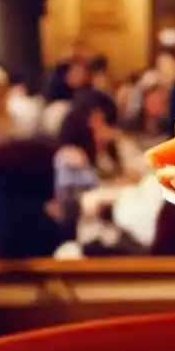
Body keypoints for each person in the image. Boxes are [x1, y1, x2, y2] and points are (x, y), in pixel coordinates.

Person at [51, 91, 122, 241]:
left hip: (109, 221)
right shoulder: (69, 156)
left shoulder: (104, 154)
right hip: (81, 228)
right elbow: (79, 199)